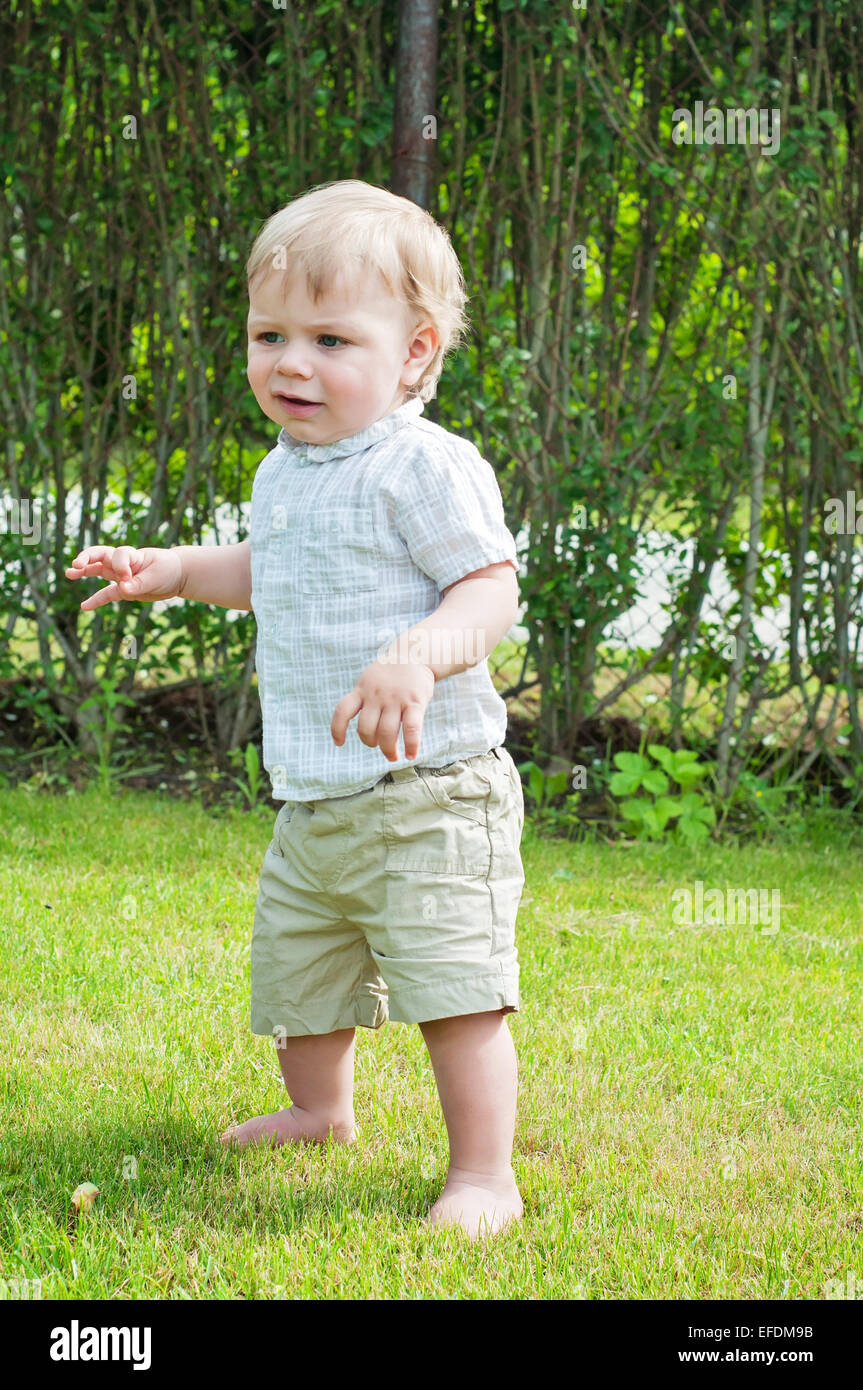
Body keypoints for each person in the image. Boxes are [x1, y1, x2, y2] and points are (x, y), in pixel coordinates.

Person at [66, 179, 526, 1240]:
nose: (288, 362)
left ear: (412, 353)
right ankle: (320, 1109)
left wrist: (418, 654)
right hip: (315, 800)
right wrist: (171, 569)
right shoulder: (290, 470)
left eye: (329, 338)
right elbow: (267, 570)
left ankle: (483, 1173)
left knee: (455, 991)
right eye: (268, 334)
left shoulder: (422, 464)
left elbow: (489, 587)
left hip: (429, 794)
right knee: (300, 975)